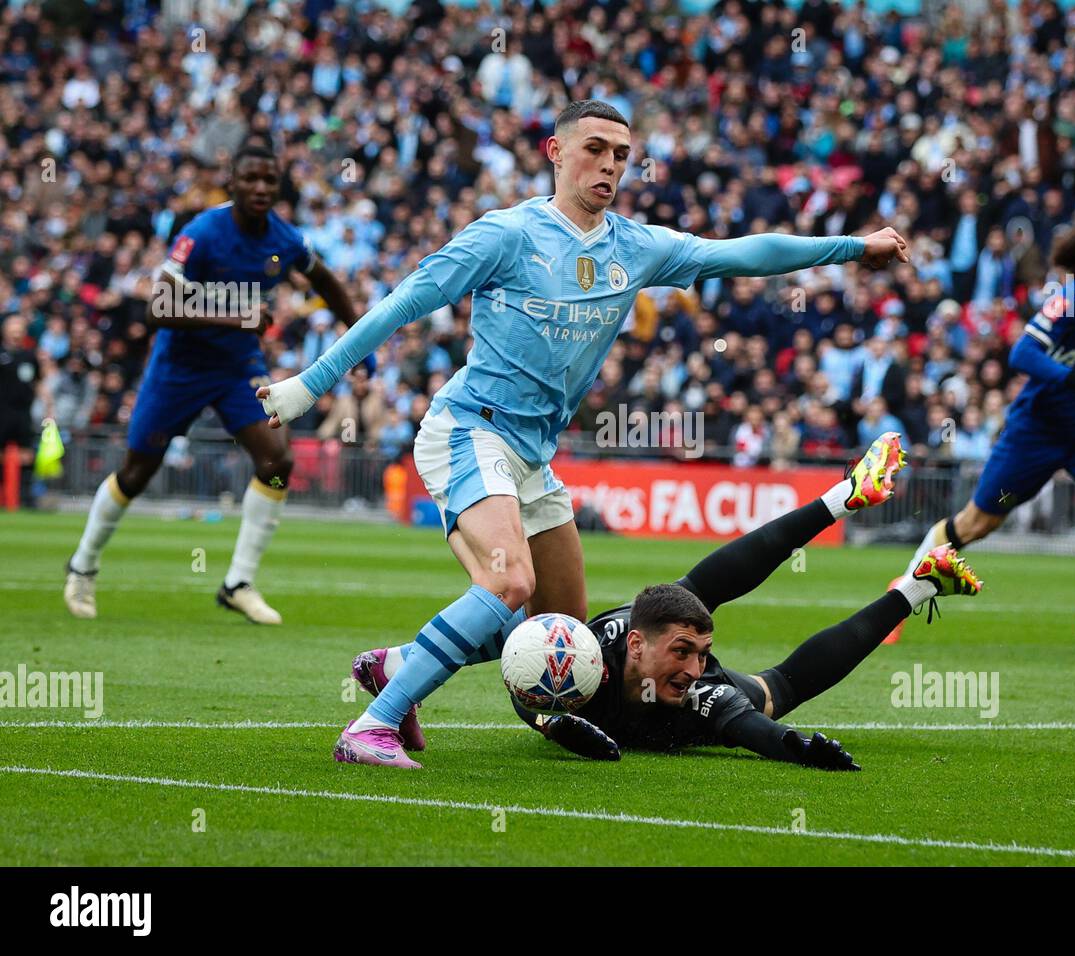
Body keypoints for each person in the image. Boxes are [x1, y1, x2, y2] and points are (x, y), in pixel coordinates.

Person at [256, 100, 911, 765]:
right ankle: (371, 725)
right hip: (469, 429)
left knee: (570, 639)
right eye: (595, 148)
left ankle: (398, 663)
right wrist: (311, 383)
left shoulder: (636, 247)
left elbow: (744, 254)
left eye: (621, 155)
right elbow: (405, 301)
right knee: (508, 584)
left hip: (533, 458)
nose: (608, 165)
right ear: (555, 152)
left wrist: (856, 247)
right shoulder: (506, 235)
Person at [345, 433, 978, 770]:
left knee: (766, 688)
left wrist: (796, 748)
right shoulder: (582, 656)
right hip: (631, 655)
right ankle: (917, 580)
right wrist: (555, 724)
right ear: (634, 647)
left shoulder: (697, 686)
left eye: (701, 655)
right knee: (712, 627)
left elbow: (758, 731)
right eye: (686, 654)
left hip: (654, 675)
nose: (698, 669)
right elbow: (526, 688)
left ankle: (889, 555)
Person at [63, 142, 358, 624]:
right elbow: (157, 307)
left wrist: (358, 334)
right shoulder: (200, 233)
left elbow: (322, 279)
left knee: (277, 461)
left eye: (270, 180)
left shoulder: (284, 238)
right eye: (251, 179)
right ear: (234, 183)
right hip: (178, 369)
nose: (261, 188)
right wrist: (237, 316)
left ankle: (238, 582)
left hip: (237, 369)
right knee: (136, 473)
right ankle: (82, 565)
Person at [898, 203, 1075, 644]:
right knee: (975, 525)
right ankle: (901, 597)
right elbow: (1022, 354)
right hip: (1036, 430)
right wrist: (1073, 375)